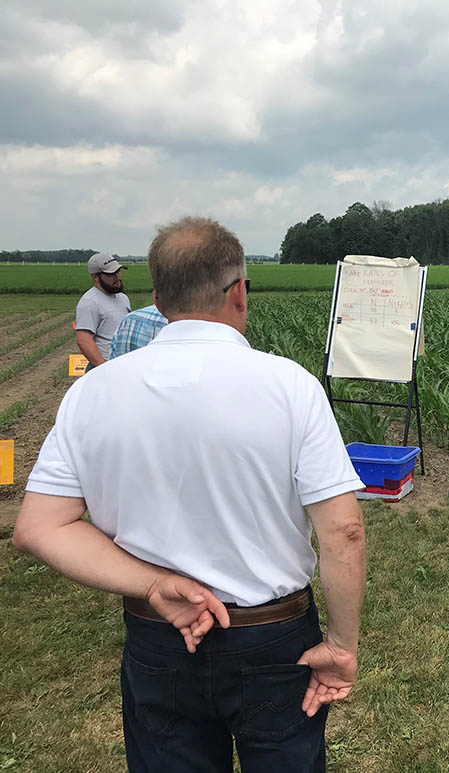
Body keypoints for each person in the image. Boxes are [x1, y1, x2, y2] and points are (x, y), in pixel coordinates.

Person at [13, 216, 367, 772]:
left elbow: (37, 528)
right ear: (239, 292)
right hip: (273, 638)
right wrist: (341, 647)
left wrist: (154, 583)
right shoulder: (289, 385)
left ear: (157, 297)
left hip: (158, 637)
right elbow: (343, 529)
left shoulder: (94, 393)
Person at [76, 252, 131, 369]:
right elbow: (83, 340)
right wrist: (104, 368)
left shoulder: (123, 298)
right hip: (104, 366)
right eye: (111, 274)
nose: (118, 277)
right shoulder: (89, 302)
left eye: (118, 272)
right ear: (95, 277)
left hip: (123, 365)